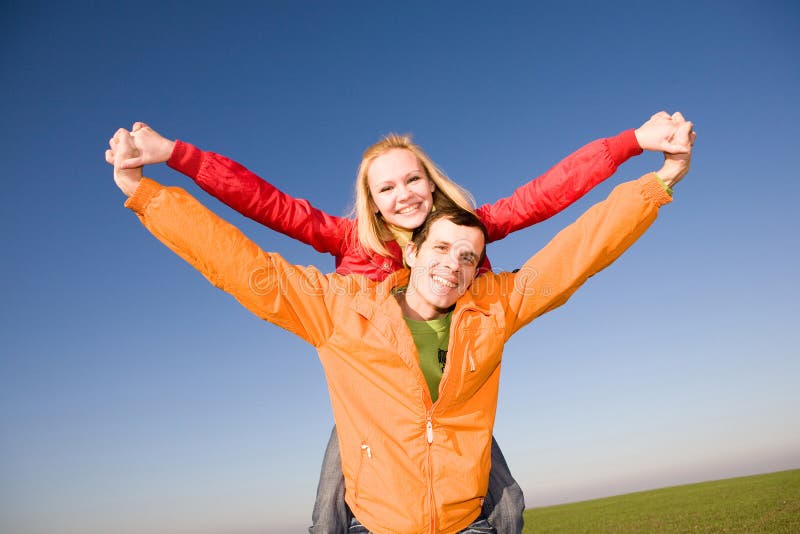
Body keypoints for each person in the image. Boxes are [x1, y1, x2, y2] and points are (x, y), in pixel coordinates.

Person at [107, 113, 688, 532]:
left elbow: (554, 212)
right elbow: (261, 219)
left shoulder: (472, 246)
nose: (404, 195)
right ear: (375, 204)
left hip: (454, 400)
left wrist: (637, 149)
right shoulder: (346, 262)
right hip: (371, 402)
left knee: (506, 500)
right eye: (386, 187)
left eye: (413, 180)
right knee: (330, 511)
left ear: (432, 183)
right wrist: (169, 161)